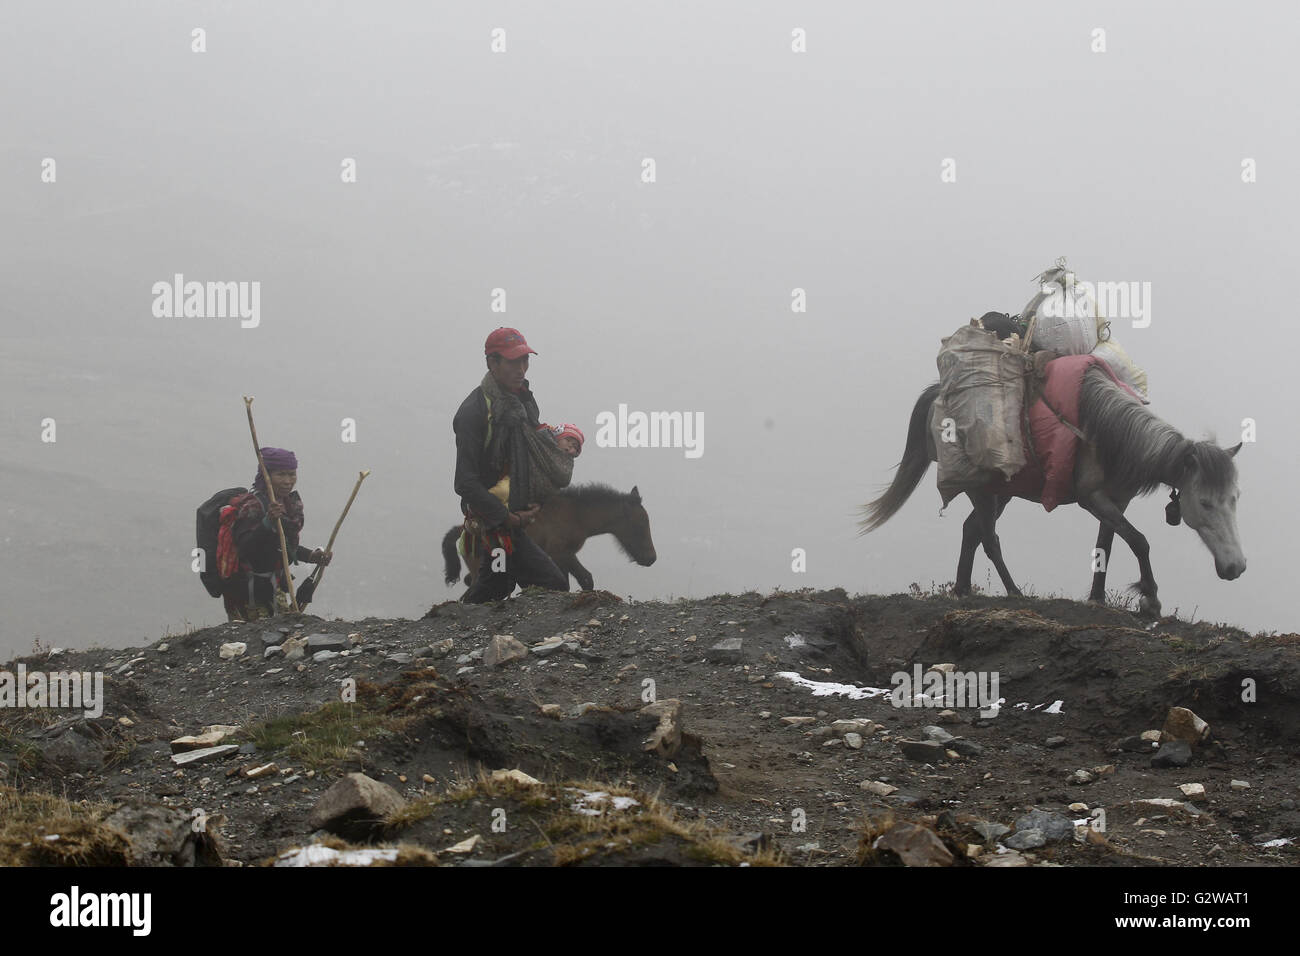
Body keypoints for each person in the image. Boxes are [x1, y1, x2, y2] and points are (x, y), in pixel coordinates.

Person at [453, 328, 570, 602]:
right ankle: (451, 629)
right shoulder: (473, 413)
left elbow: (528, 457)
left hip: (513, 519)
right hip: (494, 525)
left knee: (496, 585)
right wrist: (509, 518)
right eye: (512, 362)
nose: (521, 369)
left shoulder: (522, 402)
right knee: (552, 585)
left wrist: (534, 503)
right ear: (492, 363)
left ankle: (459, 629)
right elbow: (465, 482)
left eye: (524, 361)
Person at [220, 447, 331, 621]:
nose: (288, 481)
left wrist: (311, 556)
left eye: (292, 474)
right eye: (281, 475)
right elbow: (244, 548)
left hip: (273, 588)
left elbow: (280, 545)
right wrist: (267, 522)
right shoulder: (253, 505)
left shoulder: (285, 504)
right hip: (248, 594)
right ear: (266, 475)